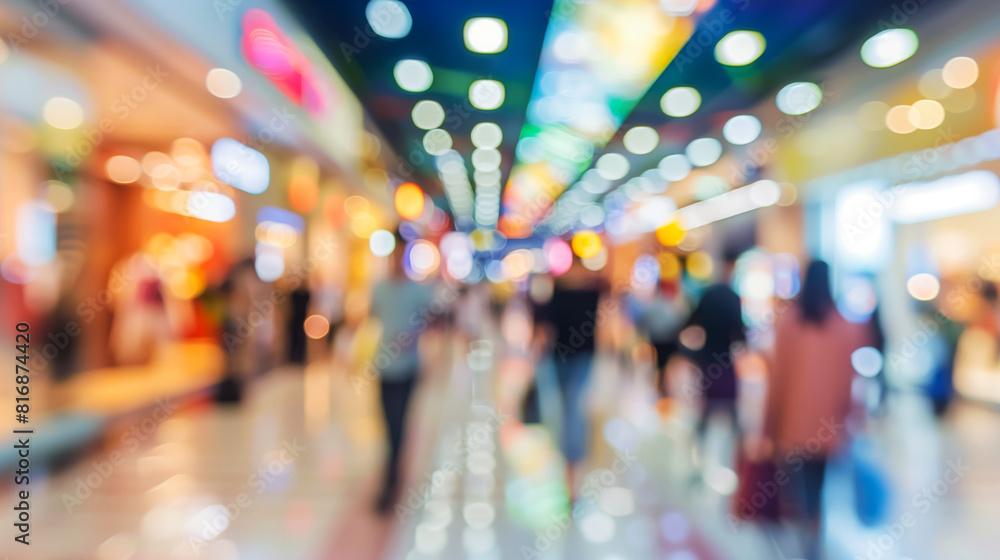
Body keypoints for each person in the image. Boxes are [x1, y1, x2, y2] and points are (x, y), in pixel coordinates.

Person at [765, 260, 868, 560]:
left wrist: (768, 425)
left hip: (793, 425)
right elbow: (851, 381)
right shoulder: (844, 326)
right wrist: (851, 418)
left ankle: (804, 536)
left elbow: (777, 379)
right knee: (819, 485)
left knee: (797, 488)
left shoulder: (789, 323)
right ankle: (813, 535)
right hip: (828, 427)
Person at [369, 231, 436, 513]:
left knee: (399, 423)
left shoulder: (419, 291)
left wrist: (415, 339)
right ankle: (392, 471)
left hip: (408, 368)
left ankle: (392, 479)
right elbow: (371, 320)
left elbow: (430, 322)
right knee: (386, 423)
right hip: (384, 366)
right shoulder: (379, 289)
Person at [541, 258, 604, 496]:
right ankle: (572, 463)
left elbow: (548, 325)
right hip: (580, 355)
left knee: (569, 407)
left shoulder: (560, 286)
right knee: (572, 407)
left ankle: (571, 464)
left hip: (562, 355)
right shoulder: (592, 288)